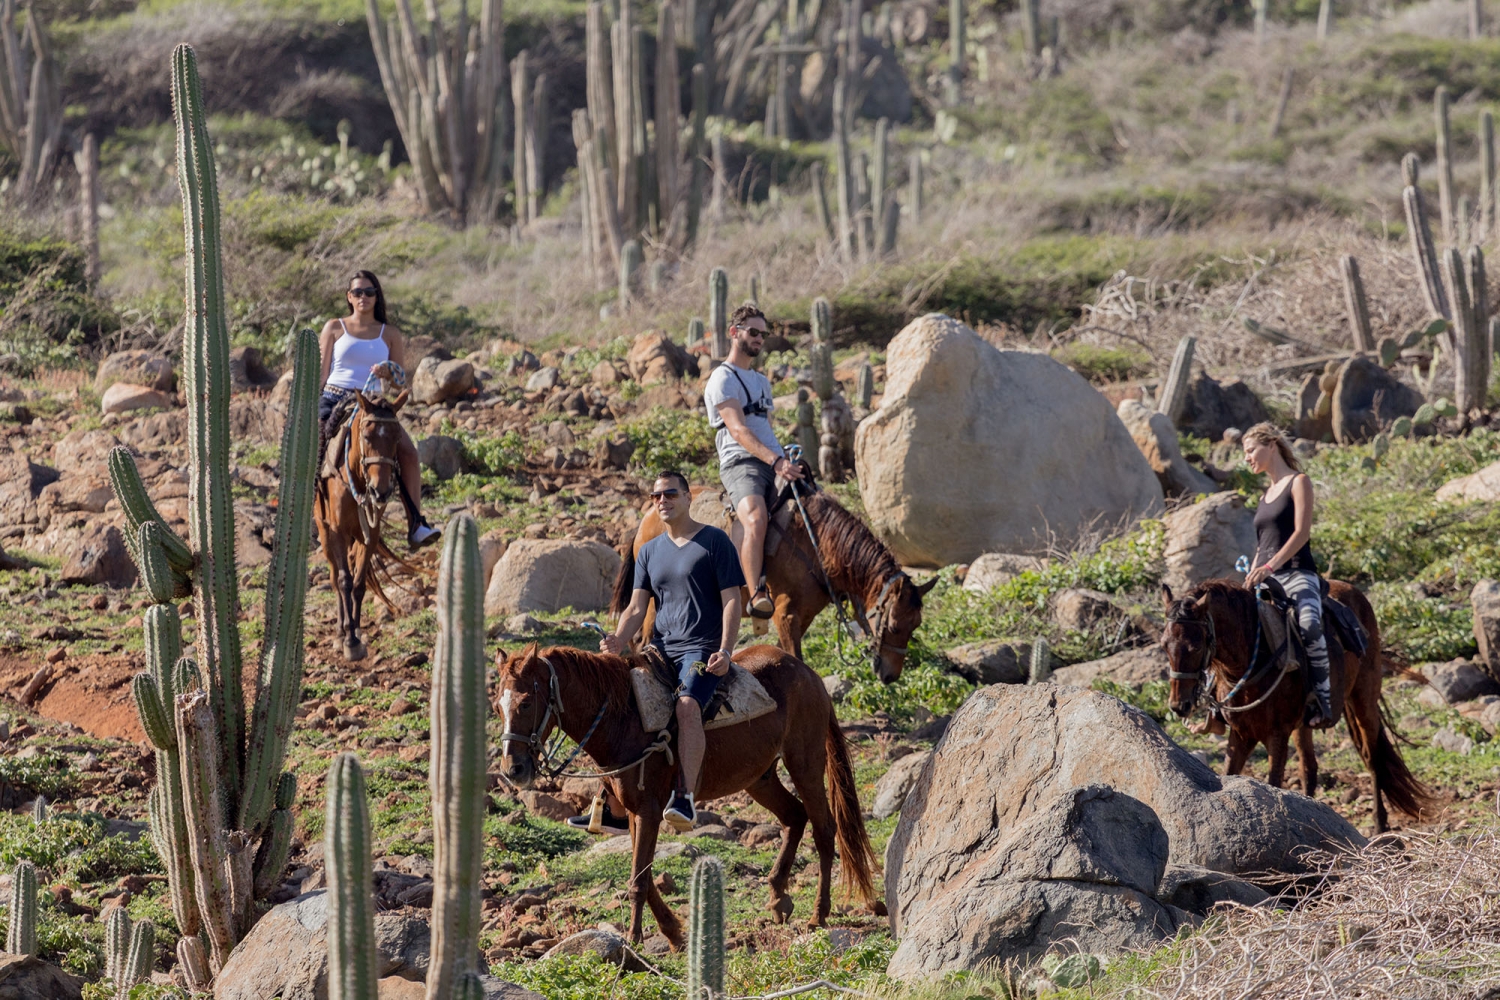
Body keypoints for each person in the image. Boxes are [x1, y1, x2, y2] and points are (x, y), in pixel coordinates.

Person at [602, 470, 745, 831]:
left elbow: (732, 602)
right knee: (614, 698)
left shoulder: (715, 542)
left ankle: (684, 797)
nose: (662, 501)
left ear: (687, 498)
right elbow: (637, 609)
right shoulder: (649, 551)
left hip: (700, 648)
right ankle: (612, 807)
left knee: (686, 706)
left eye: (670, 494)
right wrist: (618, 641)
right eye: (656, 497)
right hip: (661, 648)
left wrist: (727, 651)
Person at [318, 270, 441, 549]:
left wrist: (388, 372)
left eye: (369, 292)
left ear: (377, 296)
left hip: (374, 405)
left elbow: (400, 382)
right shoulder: (334, 328)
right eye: (358, 292)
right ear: (349, 297)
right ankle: (304, 517)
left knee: (408, 452)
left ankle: (416, 524)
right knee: (313, 448)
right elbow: (321, 374)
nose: (363, 297)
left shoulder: (390, 334)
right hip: (336, 398)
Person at [703, 303, 803, 618]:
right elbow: (738, 429)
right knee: (756, 518)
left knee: (815, 507)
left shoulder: (762, 381)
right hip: (742, 462)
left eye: (764, 334)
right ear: (734, 333)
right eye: (753, 332)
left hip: (774, 457)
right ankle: (756, 592)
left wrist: (784, 457)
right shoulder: (723, 377)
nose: (760, 339)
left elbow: (764, 427)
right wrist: (776, 462)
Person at [1242, 422, 1332, 728]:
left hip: (1297, 574)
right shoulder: (1264, 496)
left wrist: (1269, 567)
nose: (1247, 457)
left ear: (1272, 445)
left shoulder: (1298, 482)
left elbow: (1301, 533)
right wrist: (1254, 575)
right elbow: (1262, 545)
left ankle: (1321, 699)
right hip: (1266, 579)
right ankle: (1217, 711)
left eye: (1251, 449)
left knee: (1309, 624)